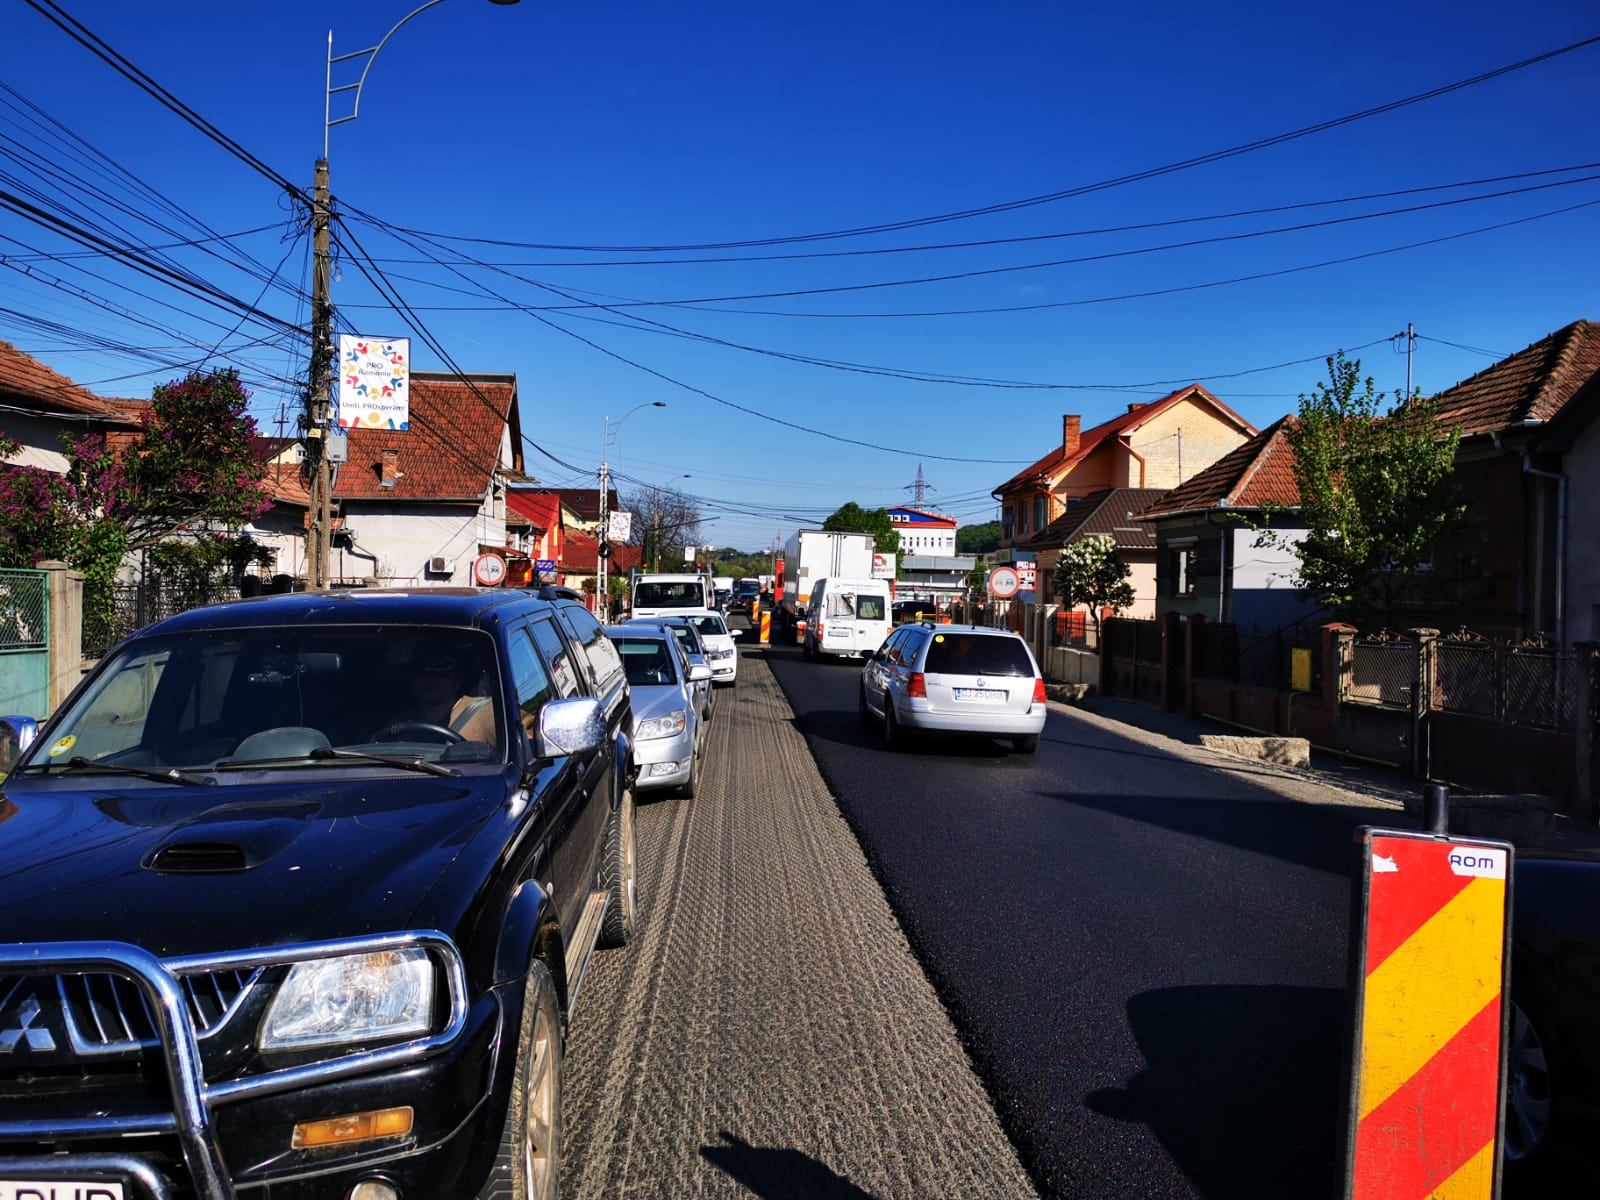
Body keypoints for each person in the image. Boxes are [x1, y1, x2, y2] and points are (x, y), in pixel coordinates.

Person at [399, 646, 496, 744]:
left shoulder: (483, 712)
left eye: (441, 673)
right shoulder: (401, 721)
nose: (430, 680)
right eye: (421, 672)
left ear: (458, 680)